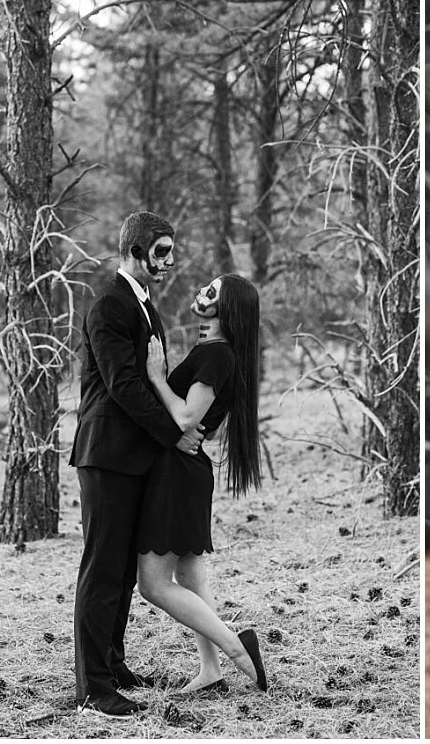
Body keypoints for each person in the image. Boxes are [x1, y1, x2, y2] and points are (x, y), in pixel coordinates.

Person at [69, 212, 205, 718]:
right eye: (162, 251)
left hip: (135, 454)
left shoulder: (143, 303)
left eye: (172, 250)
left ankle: (114, 665)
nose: (170, 261)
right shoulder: (110, 303)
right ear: (136, 249)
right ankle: (93, 688)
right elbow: (123, 385)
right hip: (106, 454)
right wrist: (176, 432)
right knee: (103, 568)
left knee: (124, 569)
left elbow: (154, 379)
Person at [139, 273, 269, 696]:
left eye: (212, 292)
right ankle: (211, 670)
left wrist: (157, 378)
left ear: (226, 308)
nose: (201, 292)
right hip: (185, 471)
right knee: (192, 578)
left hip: (177, 476)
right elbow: (202, 425)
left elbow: (187, 419)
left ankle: (238, 651)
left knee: (154, 584)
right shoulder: (215, 352)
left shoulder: (219, 356)